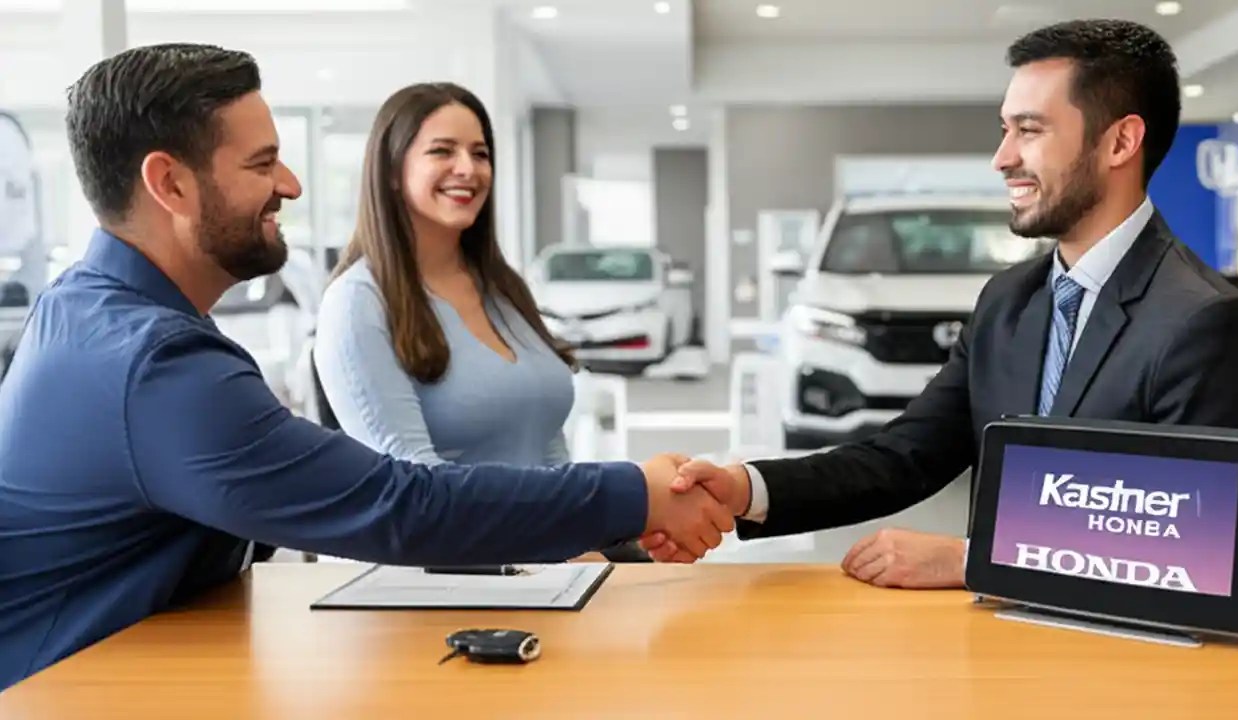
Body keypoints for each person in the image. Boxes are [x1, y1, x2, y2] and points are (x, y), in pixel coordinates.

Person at [0, 44, 731, 691]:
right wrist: (634, 494)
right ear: (171, 184)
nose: (290, 184)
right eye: (261, 163)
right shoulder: (156, 364)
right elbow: (400, 504)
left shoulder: (85, 309)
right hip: (71, 691)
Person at [642, 19, 1238, 587]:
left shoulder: (1208, 325)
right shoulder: (1010, 299)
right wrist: (744, 488)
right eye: (1005, 131)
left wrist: (972, 559)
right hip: (996, 650)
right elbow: (906, 455)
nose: (1002, 158)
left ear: (1119, 143)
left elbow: (1204, 549)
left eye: (1028, 131)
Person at [313, 83, 648, 562]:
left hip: (546, 561)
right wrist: (557, 556)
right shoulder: (357, 303)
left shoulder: (501, 287)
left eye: (480, 153)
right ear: (391, 172)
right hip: (445, 577)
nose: (467, 169)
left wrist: (586, 538)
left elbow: (546, 443)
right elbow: (415, 495)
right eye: (442, 152)